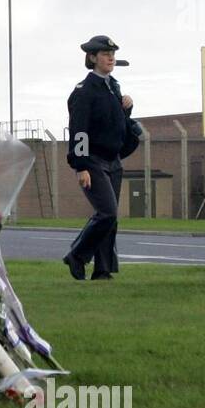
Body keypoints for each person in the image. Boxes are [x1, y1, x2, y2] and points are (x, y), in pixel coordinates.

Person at [62, 35, 141, 281]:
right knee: (107, 212)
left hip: (113, 160)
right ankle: (77, 255)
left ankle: (103, 270)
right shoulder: (85, 91)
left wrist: (127, 106)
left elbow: (116, 123)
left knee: (110, 218)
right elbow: (80, 130)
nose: (110, 58)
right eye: (105, 54)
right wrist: (81, 165)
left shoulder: (113, 87)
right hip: (93, 160)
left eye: (112, 54)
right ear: (92, 58)